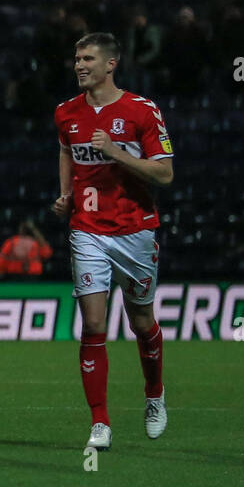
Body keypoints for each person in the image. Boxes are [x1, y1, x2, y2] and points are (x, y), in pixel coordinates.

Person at [51, 32, 174, 451]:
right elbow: (66, 151)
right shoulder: (66, 112)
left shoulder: (141, 111)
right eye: (76, 58)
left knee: (141, 322)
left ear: (110, 65)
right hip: (88, 230)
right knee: (94, 323)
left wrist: (117, 153)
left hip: (136, 230)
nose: (79, 65)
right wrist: (66, 194)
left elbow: (165, 174)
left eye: (87, 58)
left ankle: (154, 395)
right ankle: (100, 422)